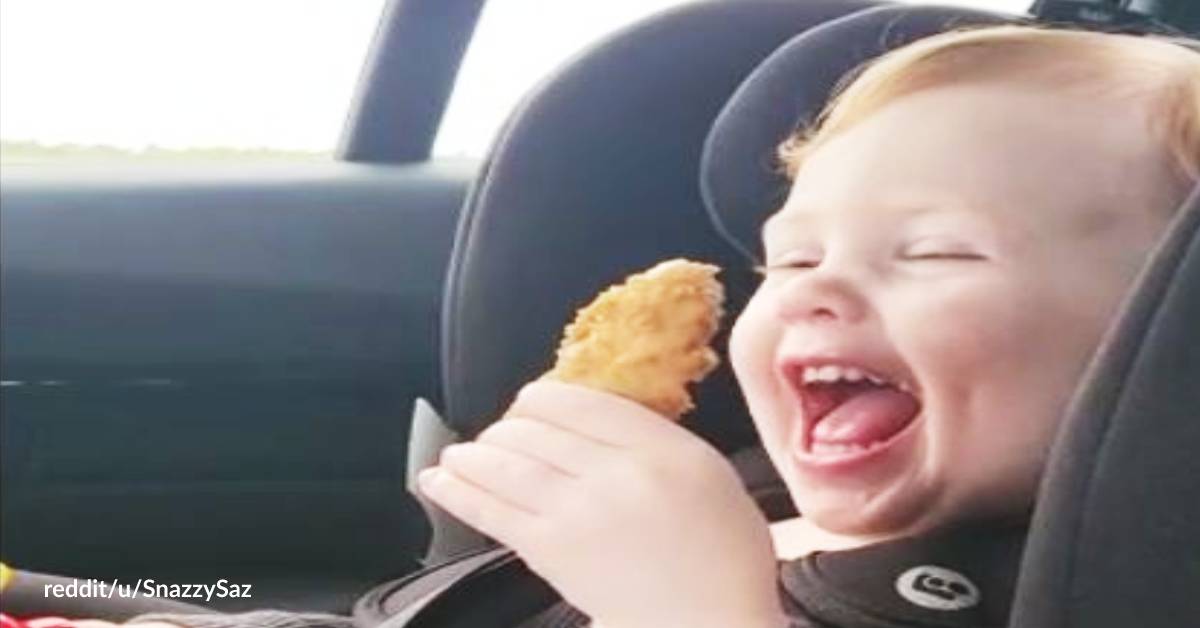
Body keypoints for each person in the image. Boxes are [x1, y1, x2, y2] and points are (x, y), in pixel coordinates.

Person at [59, 24, 1200, 628]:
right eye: (791, 254)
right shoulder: (748, 489)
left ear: (1163, 339)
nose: (809, 289)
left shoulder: (1083, 589)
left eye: (936, 251)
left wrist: (696, 610)